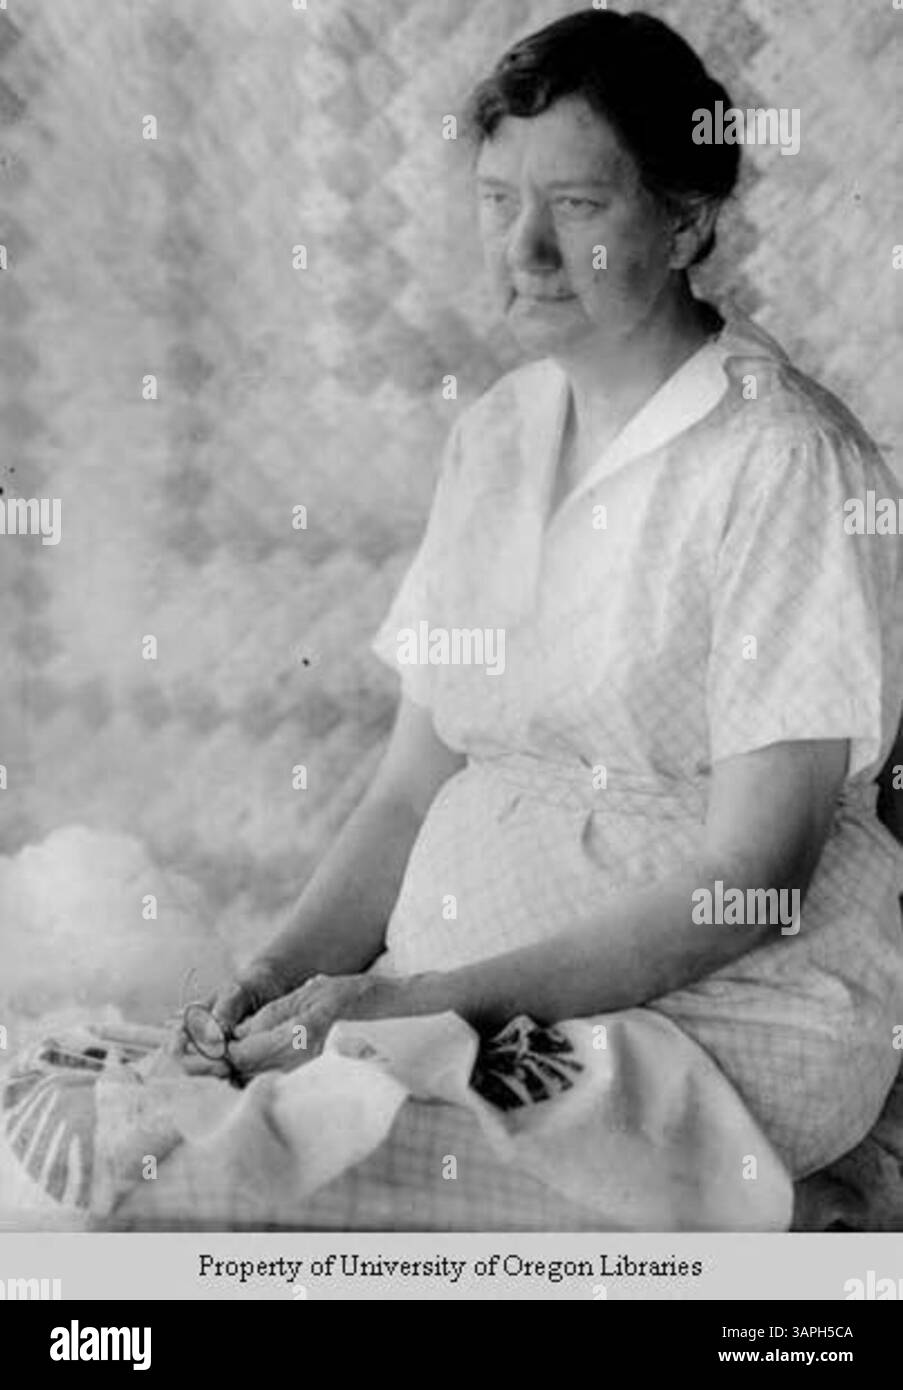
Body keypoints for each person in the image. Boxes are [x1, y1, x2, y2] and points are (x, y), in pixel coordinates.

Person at [180, 9, 903, 1180]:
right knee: (197, 1131)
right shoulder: (497, 437)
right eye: (496, 200)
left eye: (576, 206)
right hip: (460, 1011)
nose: (525, 249)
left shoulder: (780, 459)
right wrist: (275, 974)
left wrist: (425, 1003)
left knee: (278, 1178)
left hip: (734, 1012)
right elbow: (409, 792)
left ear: (687, 220)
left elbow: (754, 880)